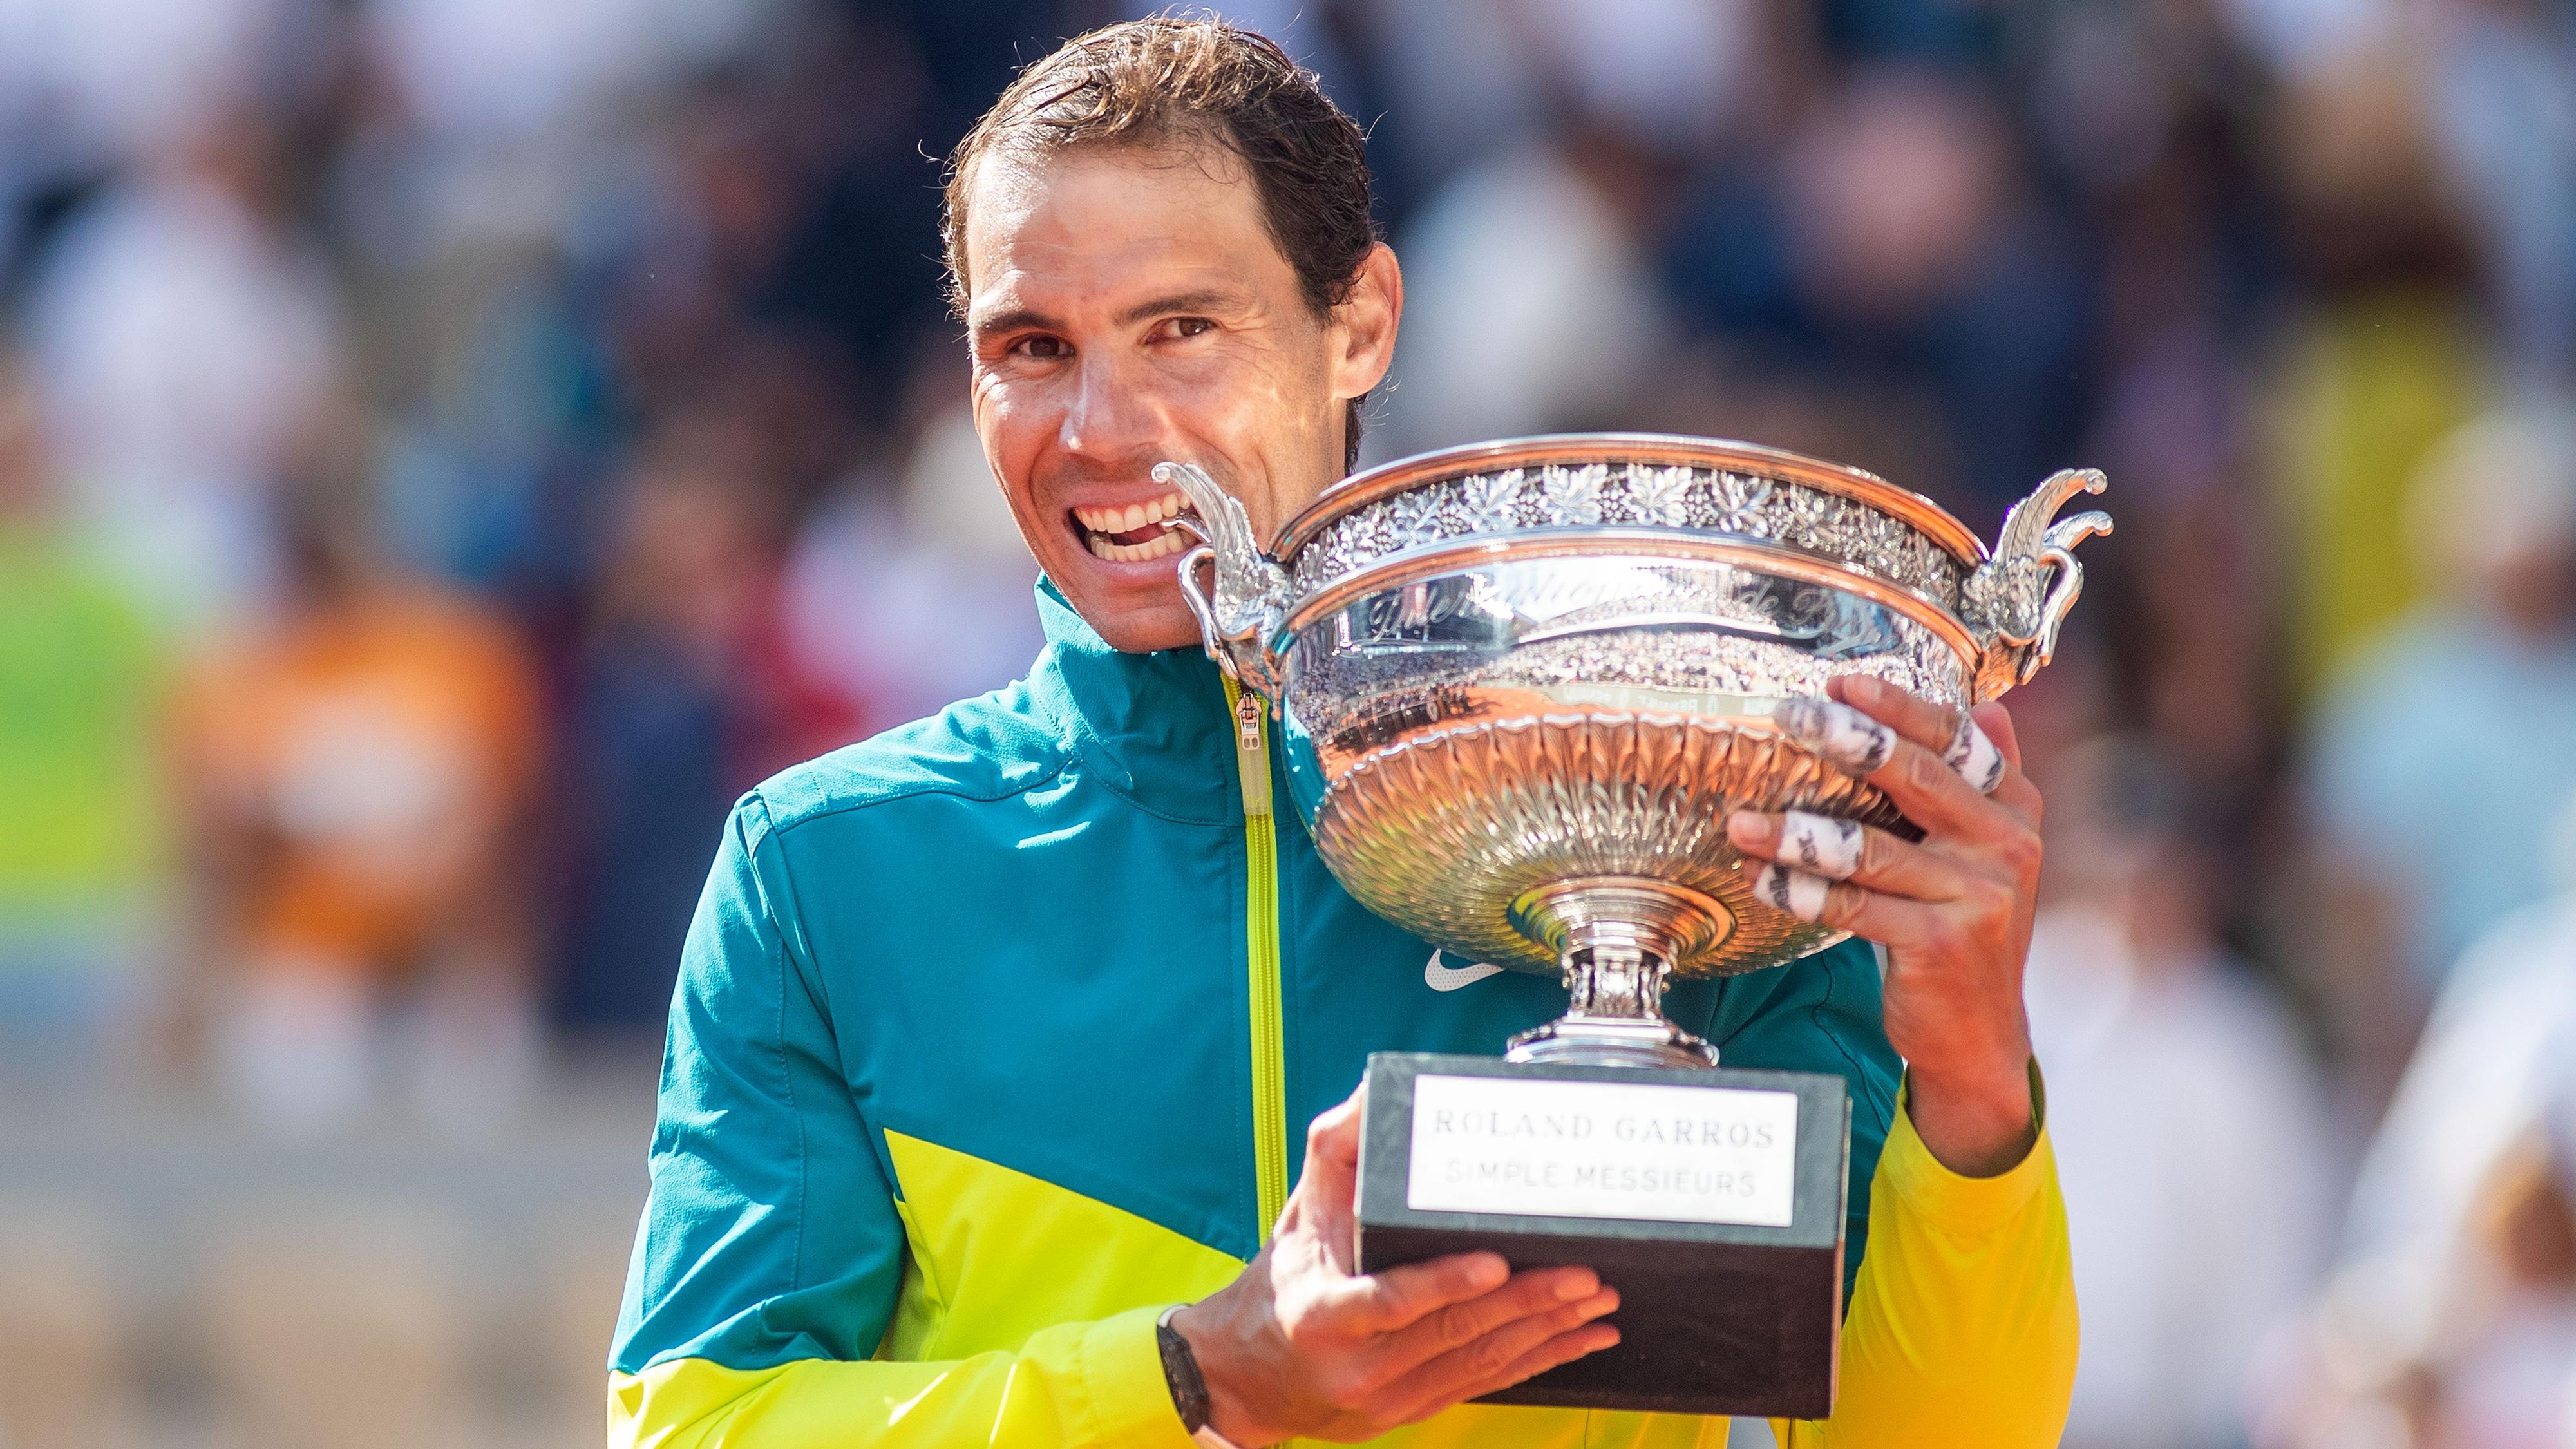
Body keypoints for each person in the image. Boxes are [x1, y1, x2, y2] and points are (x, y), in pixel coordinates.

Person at [610, 19, 2076, 1448]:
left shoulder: (1681, 809)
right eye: (1033, 347)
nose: (1100, 426)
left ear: (1358, 323)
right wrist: (1189, 1379)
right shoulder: (828, 872)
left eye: (1181, 329)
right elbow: (697, 1429)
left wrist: (1969, 1088)